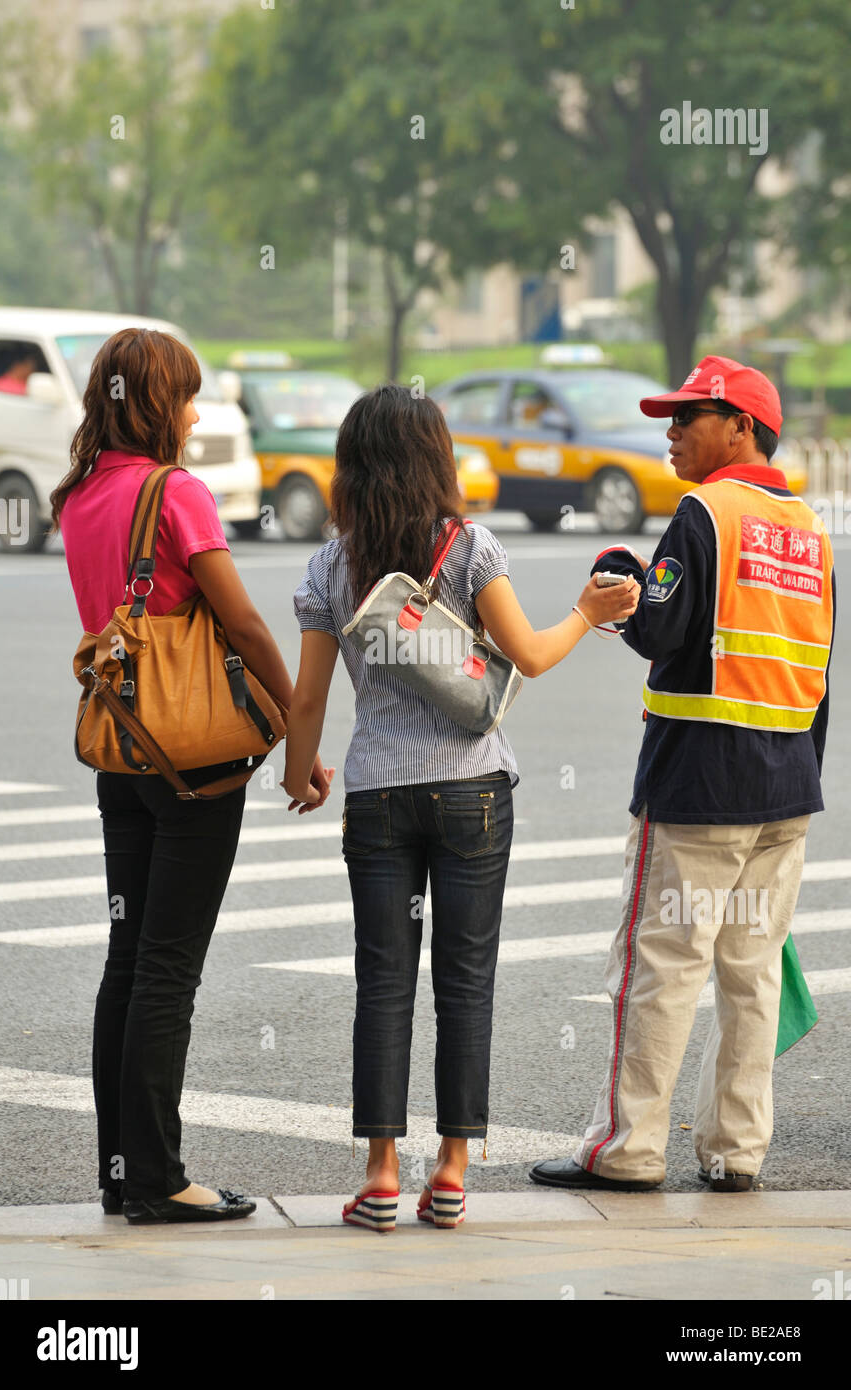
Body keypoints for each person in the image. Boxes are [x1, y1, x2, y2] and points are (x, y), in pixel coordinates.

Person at [284, 383, 640, 1230]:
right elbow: (529, 657)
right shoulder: (470, 547)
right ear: (436, 460)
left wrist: (302, 773)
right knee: (465, 981)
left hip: (375, 793)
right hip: (472, 790)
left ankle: (378, 1174)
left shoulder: (331, 565)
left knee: (382, 982)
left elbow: (307, 700)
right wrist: (586, 614)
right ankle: (449, 1170)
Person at [529, 356, 835, 1194]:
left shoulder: (705, 512)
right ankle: (737, 1153)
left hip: (699, 788)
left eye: (689, 416)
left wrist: (625, 576)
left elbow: (660, 631)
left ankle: (627, 1151)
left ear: (742, 428)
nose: (670, 432)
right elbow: (819, 675)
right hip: (785, 794)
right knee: (753, 975)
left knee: (659, 968)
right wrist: (801, 782)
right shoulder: (809, 528)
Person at [51, 327, 334, 1224]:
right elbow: (245, 626)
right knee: (170, 970)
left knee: (127, 963)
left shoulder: (78, 495)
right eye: (186, 397)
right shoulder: (177, 494)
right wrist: (298, 731)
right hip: (197, 766)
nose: (194, 412)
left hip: (123, 750)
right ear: (156, 404)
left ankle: (122, 1171)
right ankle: (162, 1180)